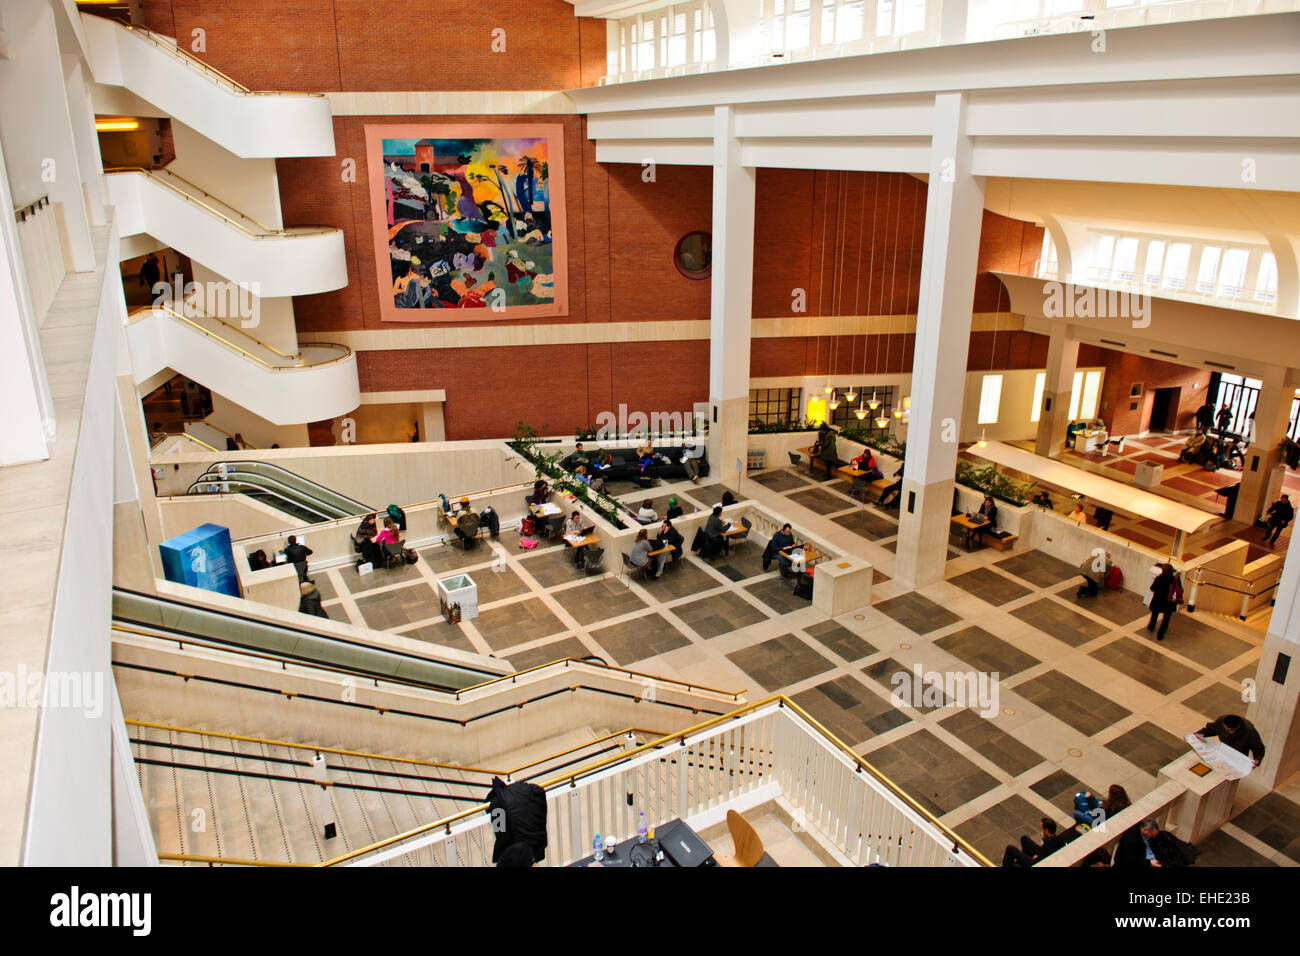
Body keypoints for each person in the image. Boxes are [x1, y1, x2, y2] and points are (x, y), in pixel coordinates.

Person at [487, 776, 548, 866]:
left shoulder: (497, 805)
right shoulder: (528, 792)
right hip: (530, 846)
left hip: (514, 852)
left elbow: (500, 835)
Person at [1114, 818, 1196, 868]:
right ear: (1146, 830)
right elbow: (1131, 861)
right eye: (1152, 834)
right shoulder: (1131, 840)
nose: (1153, 837)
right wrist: (1149, 863)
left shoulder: (1143, 833)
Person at [1195, 714, 1265, 765]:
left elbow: (1258, 748)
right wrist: (1197, 735)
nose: (1225, 730)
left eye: (1228, 730)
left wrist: (1257, 759)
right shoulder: (1221, 720)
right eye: (1224, 728)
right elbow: (1211, 730)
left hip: (1238, 758)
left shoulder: (1249, 732)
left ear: (1237, 728)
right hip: (1223, 752)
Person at [1001, 817, 1069, 867]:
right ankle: (1023, 861)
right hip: (1042, 856)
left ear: (1046, 831)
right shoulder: (1059, 839)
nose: (1041, 831)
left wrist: (1036, 858)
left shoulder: (1047, 845)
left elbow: (1044, 858)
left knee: (1010, 849)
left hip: (1038, 863)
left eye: (1042, 829)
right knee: (1024, 839)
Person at [1147, 562, 1181, 641]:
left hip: (1158, 600)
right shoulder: (1175, 579)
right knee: (1166, 620)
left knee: (1155, 615)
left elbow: (1152, 588)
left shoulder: (1159, 578)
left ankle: (1151, 627)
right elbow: (1180, 590)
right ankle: (1160, 634)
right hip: (1169, 603)